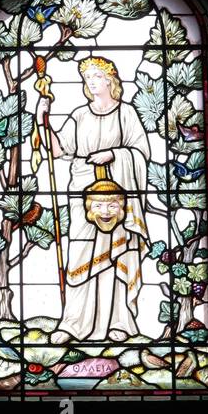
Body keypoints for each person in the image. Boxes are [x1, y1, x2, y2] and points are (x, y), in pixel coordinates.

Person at [35, 55, 150, 344]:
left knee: (118, 253)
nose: (91, 82)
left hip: (118, 195)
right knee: (81, 254)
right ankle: (73, 324)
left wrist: (114, 154)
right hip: (83, 194)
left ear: (110, 79)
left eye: (97, 76)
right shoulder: (79, 116)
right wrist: (42, 119)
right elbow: (59, 151)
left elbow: (141, 152)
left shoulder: (127, 114)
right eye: (87, 78)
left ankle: (119, 322)